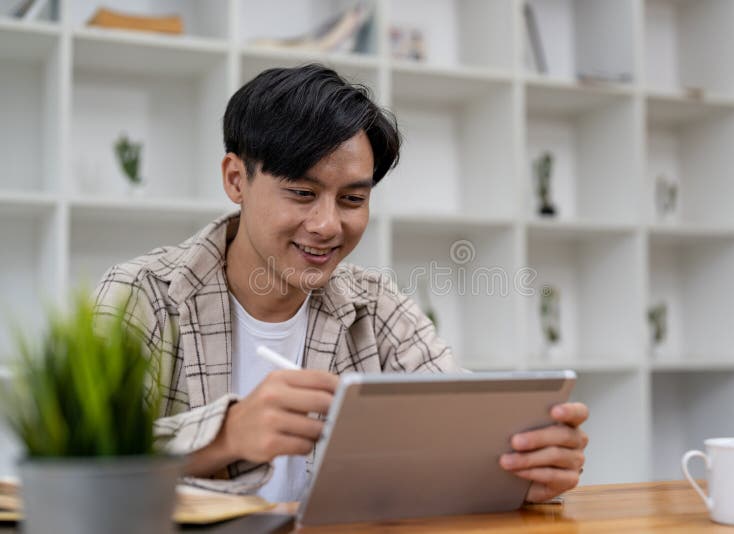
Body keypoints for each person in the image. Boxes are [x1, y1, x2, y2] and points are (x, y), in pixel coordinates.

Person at [93, 64, 588, 504]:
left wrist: (526, 469)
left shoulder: (376, 306)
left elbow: (463, 430)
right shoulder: (142, 295)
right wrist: (226, 436)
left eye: (352, 200)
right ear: (235, 178)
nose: (327, 225)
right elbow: (77, 471)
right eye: (303, 193)